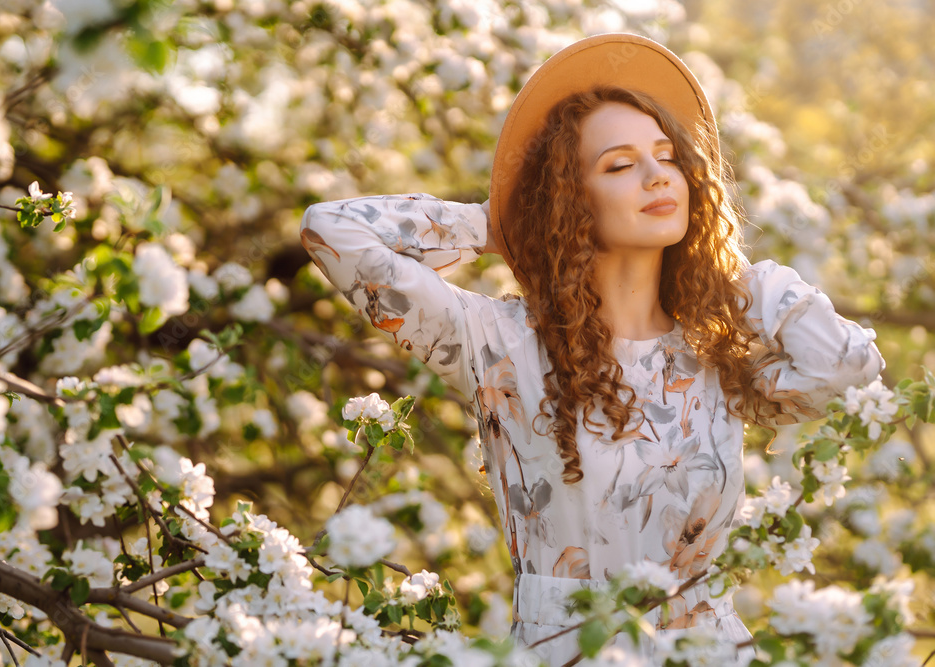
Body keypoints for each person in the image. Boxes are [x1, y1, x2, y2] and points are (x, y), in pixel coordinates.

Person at [298, 33, 884, 665]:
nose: (658, 175)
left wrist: (736, 277)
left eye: (668, 156)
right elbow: (332, 230)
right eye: (620, 165)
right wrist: (501, 221)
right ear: (569, 199)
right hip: (568, 651)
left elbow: (848, 373)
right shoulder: (498, 344)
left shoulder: (714, 353)